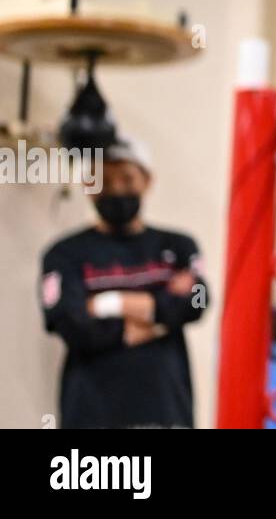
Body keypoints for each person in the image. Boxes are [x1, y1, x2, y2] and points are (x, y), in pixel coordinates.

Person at [39, 136, 209, 428]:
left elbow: (197, 302)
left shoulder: (179, 246)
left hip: (166, 411)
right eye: (104, 180)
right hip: (92, 414)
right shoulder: (63, 254)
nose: (116, 189)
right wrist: (161, 314)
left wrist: (106, 304)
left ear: (147, 180)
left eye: (127, 178)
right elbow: (71, 324)